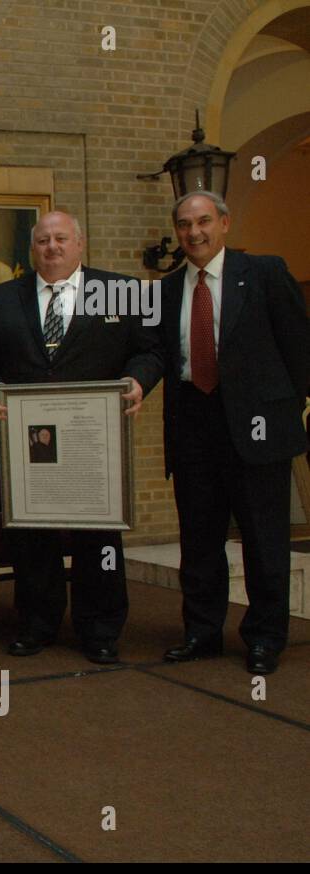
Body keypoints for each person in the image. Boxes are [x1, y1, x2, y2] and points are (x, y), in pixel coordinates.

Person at [0, 210, 163, 664]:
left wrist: (138, 381)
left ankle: (100, 629)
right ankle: (36, 623)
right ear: (32, 249)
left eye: (61, 238)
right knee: (31, 534)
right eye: (42, 240)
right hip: (28, 439)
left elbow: (152, 350)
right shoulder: (3, 298)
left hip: (91, 438)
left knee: (98, 536)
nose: (52, 247)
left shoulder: (118, 291)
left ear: (80, 244)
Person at [156, 191, 310, 675]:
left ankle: (265, 638)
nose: (194, 232)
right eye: (185, 225)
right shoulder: (166, 290)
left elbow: (299, 348)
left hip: (257, 428)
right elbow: (159, 357)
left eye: (203, 221)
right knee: (199, 539)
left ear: (224, 223)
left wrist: (287, 411)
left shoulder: (264, 273)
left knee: (264, 540)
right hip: (193, 425)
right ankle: (202, 633)